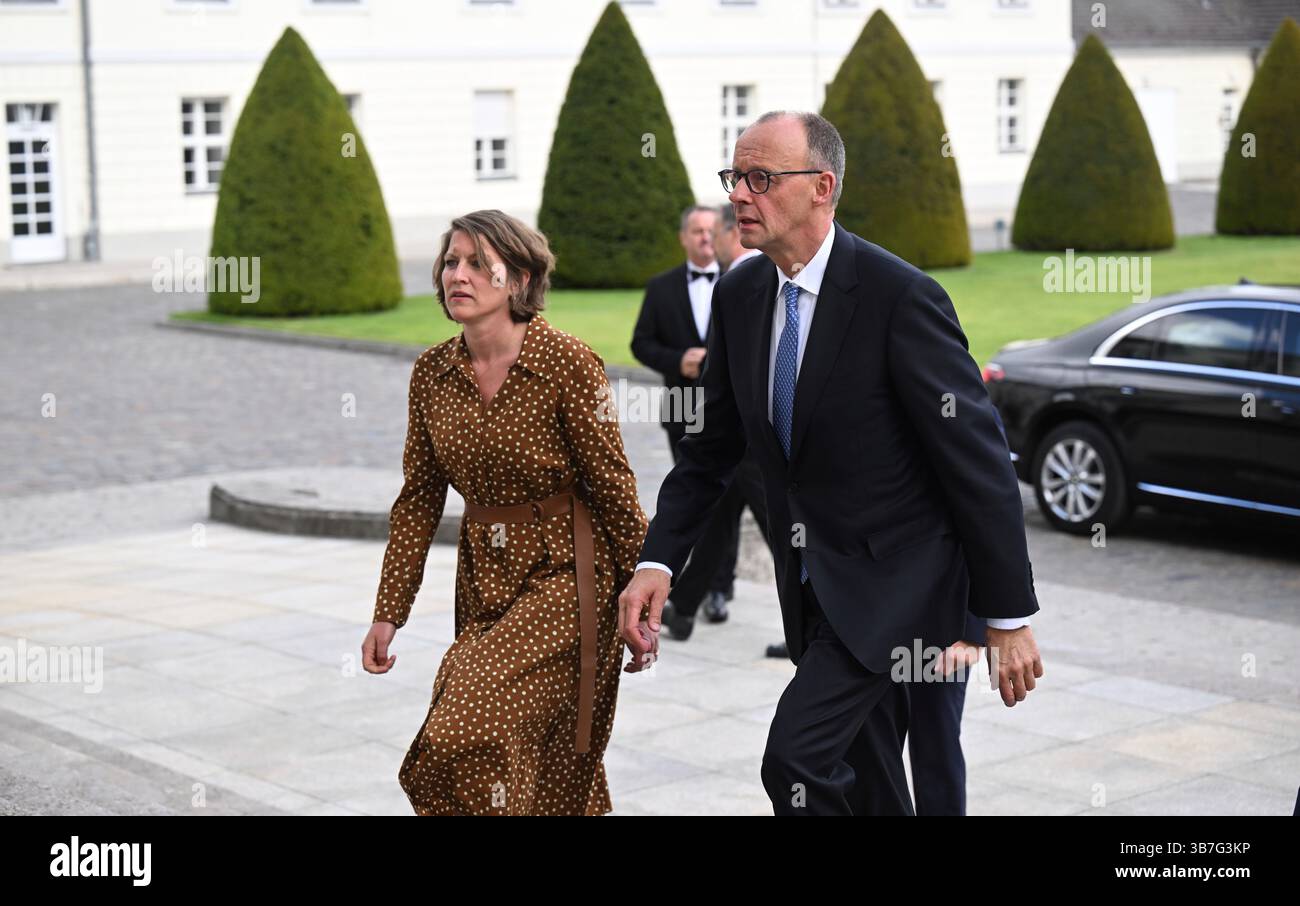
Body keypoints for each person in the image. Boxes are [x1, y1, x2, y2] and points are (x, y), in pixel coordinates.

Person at [619, 112, 1044, 816]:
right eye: (735, 178)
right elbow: (711, 451)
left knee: (795, 757)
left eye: (761, 179)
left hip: (901, 588)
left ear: (823, 187)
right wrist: (657, 562)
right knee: (870, 781)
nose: (739, 197)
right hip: (814, 589)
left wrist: (1006, 614)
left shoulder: (899, 297)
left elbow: (979, 462)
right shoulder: (740, 296)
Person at [362, 209, 653, 816]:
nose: (456, 274)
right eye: (449, 261)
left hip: (568, 576)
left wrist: (643, 598)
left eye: (475, 262)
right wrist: (389, 612)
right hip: (484, 582)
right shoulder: (431, 374)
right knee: (538, 760)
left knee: (465, 729)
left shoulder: (570, 363)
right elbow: (418, 498)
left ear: (519, 279)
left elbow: (614, 489)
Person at [631, 205, 737, 631]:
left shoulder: (741, 280)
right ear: (683, 238)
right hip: (681, 406)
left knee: (727, 499)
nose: (705, 238)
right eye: (696, 231)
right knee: (695, 494)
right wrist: (679, 361)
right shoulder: (661, 287)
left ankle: (718, 588)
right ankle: (688, 585)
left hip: (728, 409)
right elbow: (641, 343)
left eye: (711, 230)